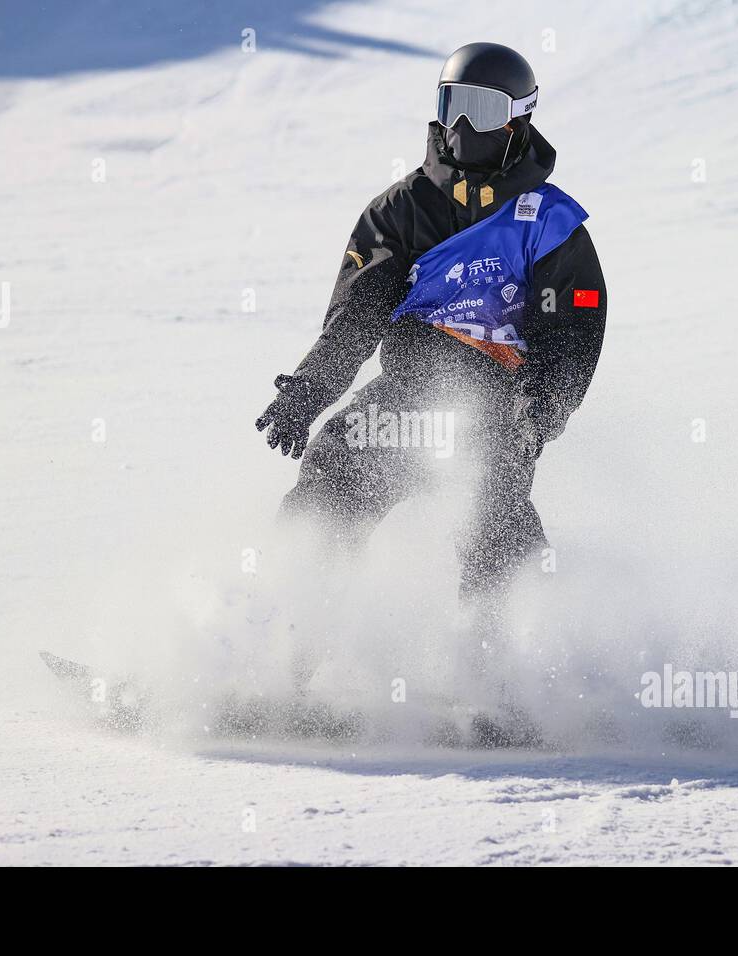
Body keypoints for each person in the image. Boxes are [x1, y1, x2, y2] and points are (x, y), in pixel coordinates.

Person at [255, 43, 607, 742]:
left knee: (494, 513)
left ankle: (503, 682)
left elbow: (575, 333)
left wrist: (540, 414)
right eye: (452, 106)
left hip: (497, 409)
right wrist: (310, 389)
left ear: (518, 122)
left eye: (482, 110)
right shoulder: (400, 210)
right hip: (408, 401)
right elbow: (355, 315)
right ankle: (285, 661)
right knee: (330, 471)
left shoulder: (551, 222)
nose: (461, 129)